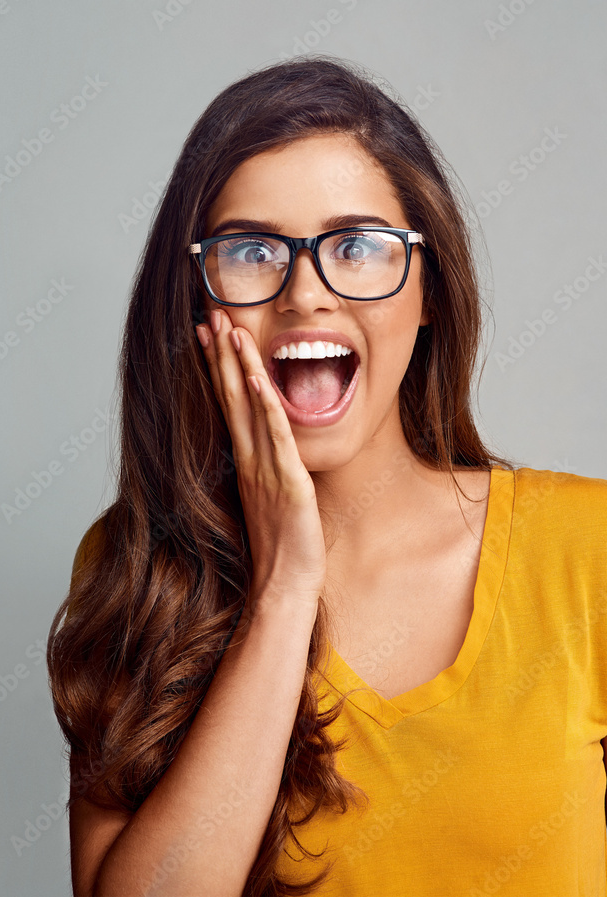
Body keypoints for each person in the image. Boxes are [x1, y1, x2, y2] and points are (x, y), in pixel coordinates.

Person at [46, 55, 607, 896]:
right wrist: (282, 590)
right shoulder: (137, 567)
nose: (306, 294)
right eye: (252, 250)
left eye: (356, 246)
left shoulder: (585, 548)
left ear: (427, 293)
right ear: (196, 303)